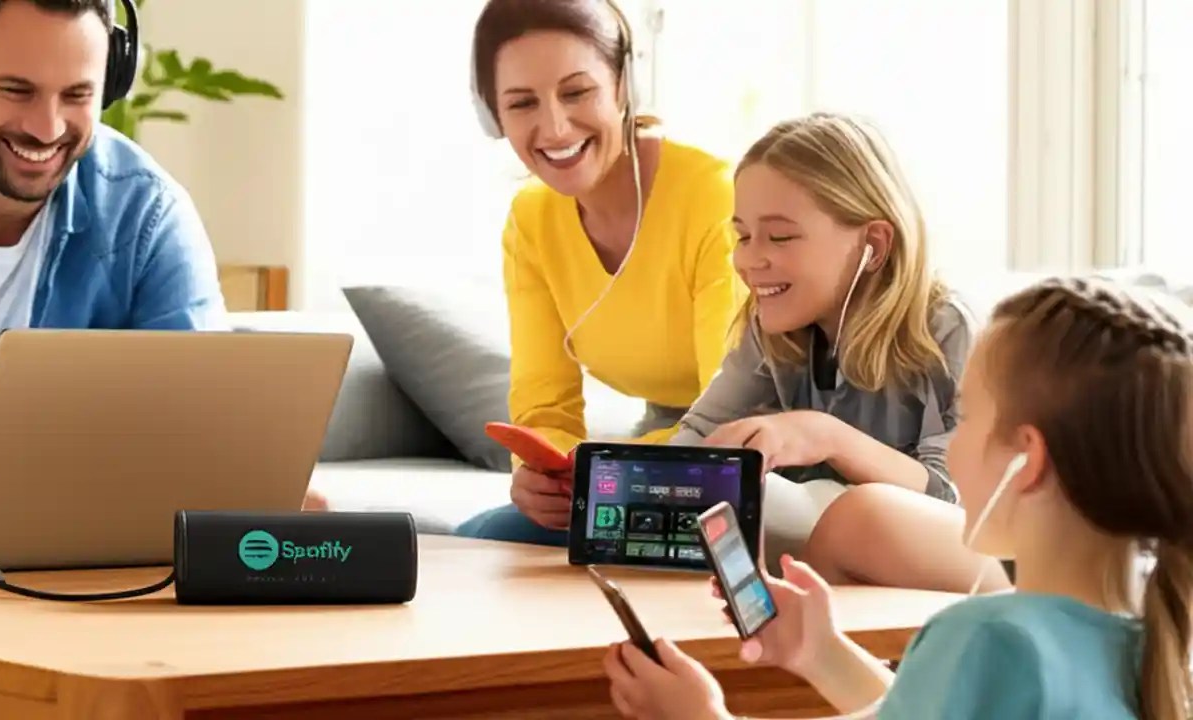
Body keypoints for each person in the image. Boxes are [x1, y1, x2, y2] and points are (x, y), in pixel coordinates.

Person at [602, 275, 1193, 720]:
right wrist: (821, 652)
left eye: (963, 420)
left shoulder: (988, 639)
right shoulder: (1146, 641)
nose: (951, 450)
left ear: (1027, 460)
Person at [0, 0, 321, 542]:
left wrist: (252, 491)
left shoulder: (145, 216)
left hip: (40, 538)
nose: (46, 127)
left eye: (77, 96)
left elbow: (203, 436)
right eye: (17, 90)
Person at [652, 112, 1009, 593]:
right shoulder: (772, 328)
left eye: (780, 236)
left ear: (873, 245)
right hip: (825, 562)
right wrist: (605, 483)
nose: (749, 258)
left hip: (937, 559)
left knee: (822, 510)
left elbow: (954, 502)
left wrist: (826, 436)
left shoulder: (945, 329)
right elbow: (697, 437)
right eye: (742, 235)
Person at [455, 0, 746, 545]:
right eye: (521, 103)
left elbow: (728, 417)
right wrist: (540, 472)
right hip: (663, 447)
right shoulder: (532, 221)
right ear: (493, 115)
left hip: (760, 445)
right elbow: (545, 405)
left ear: (624, 86)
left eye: (576, 91)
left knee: (500, 538)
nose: (555, 126)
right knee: (485, 539)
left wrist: (601, 473)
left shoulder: (714, 198)